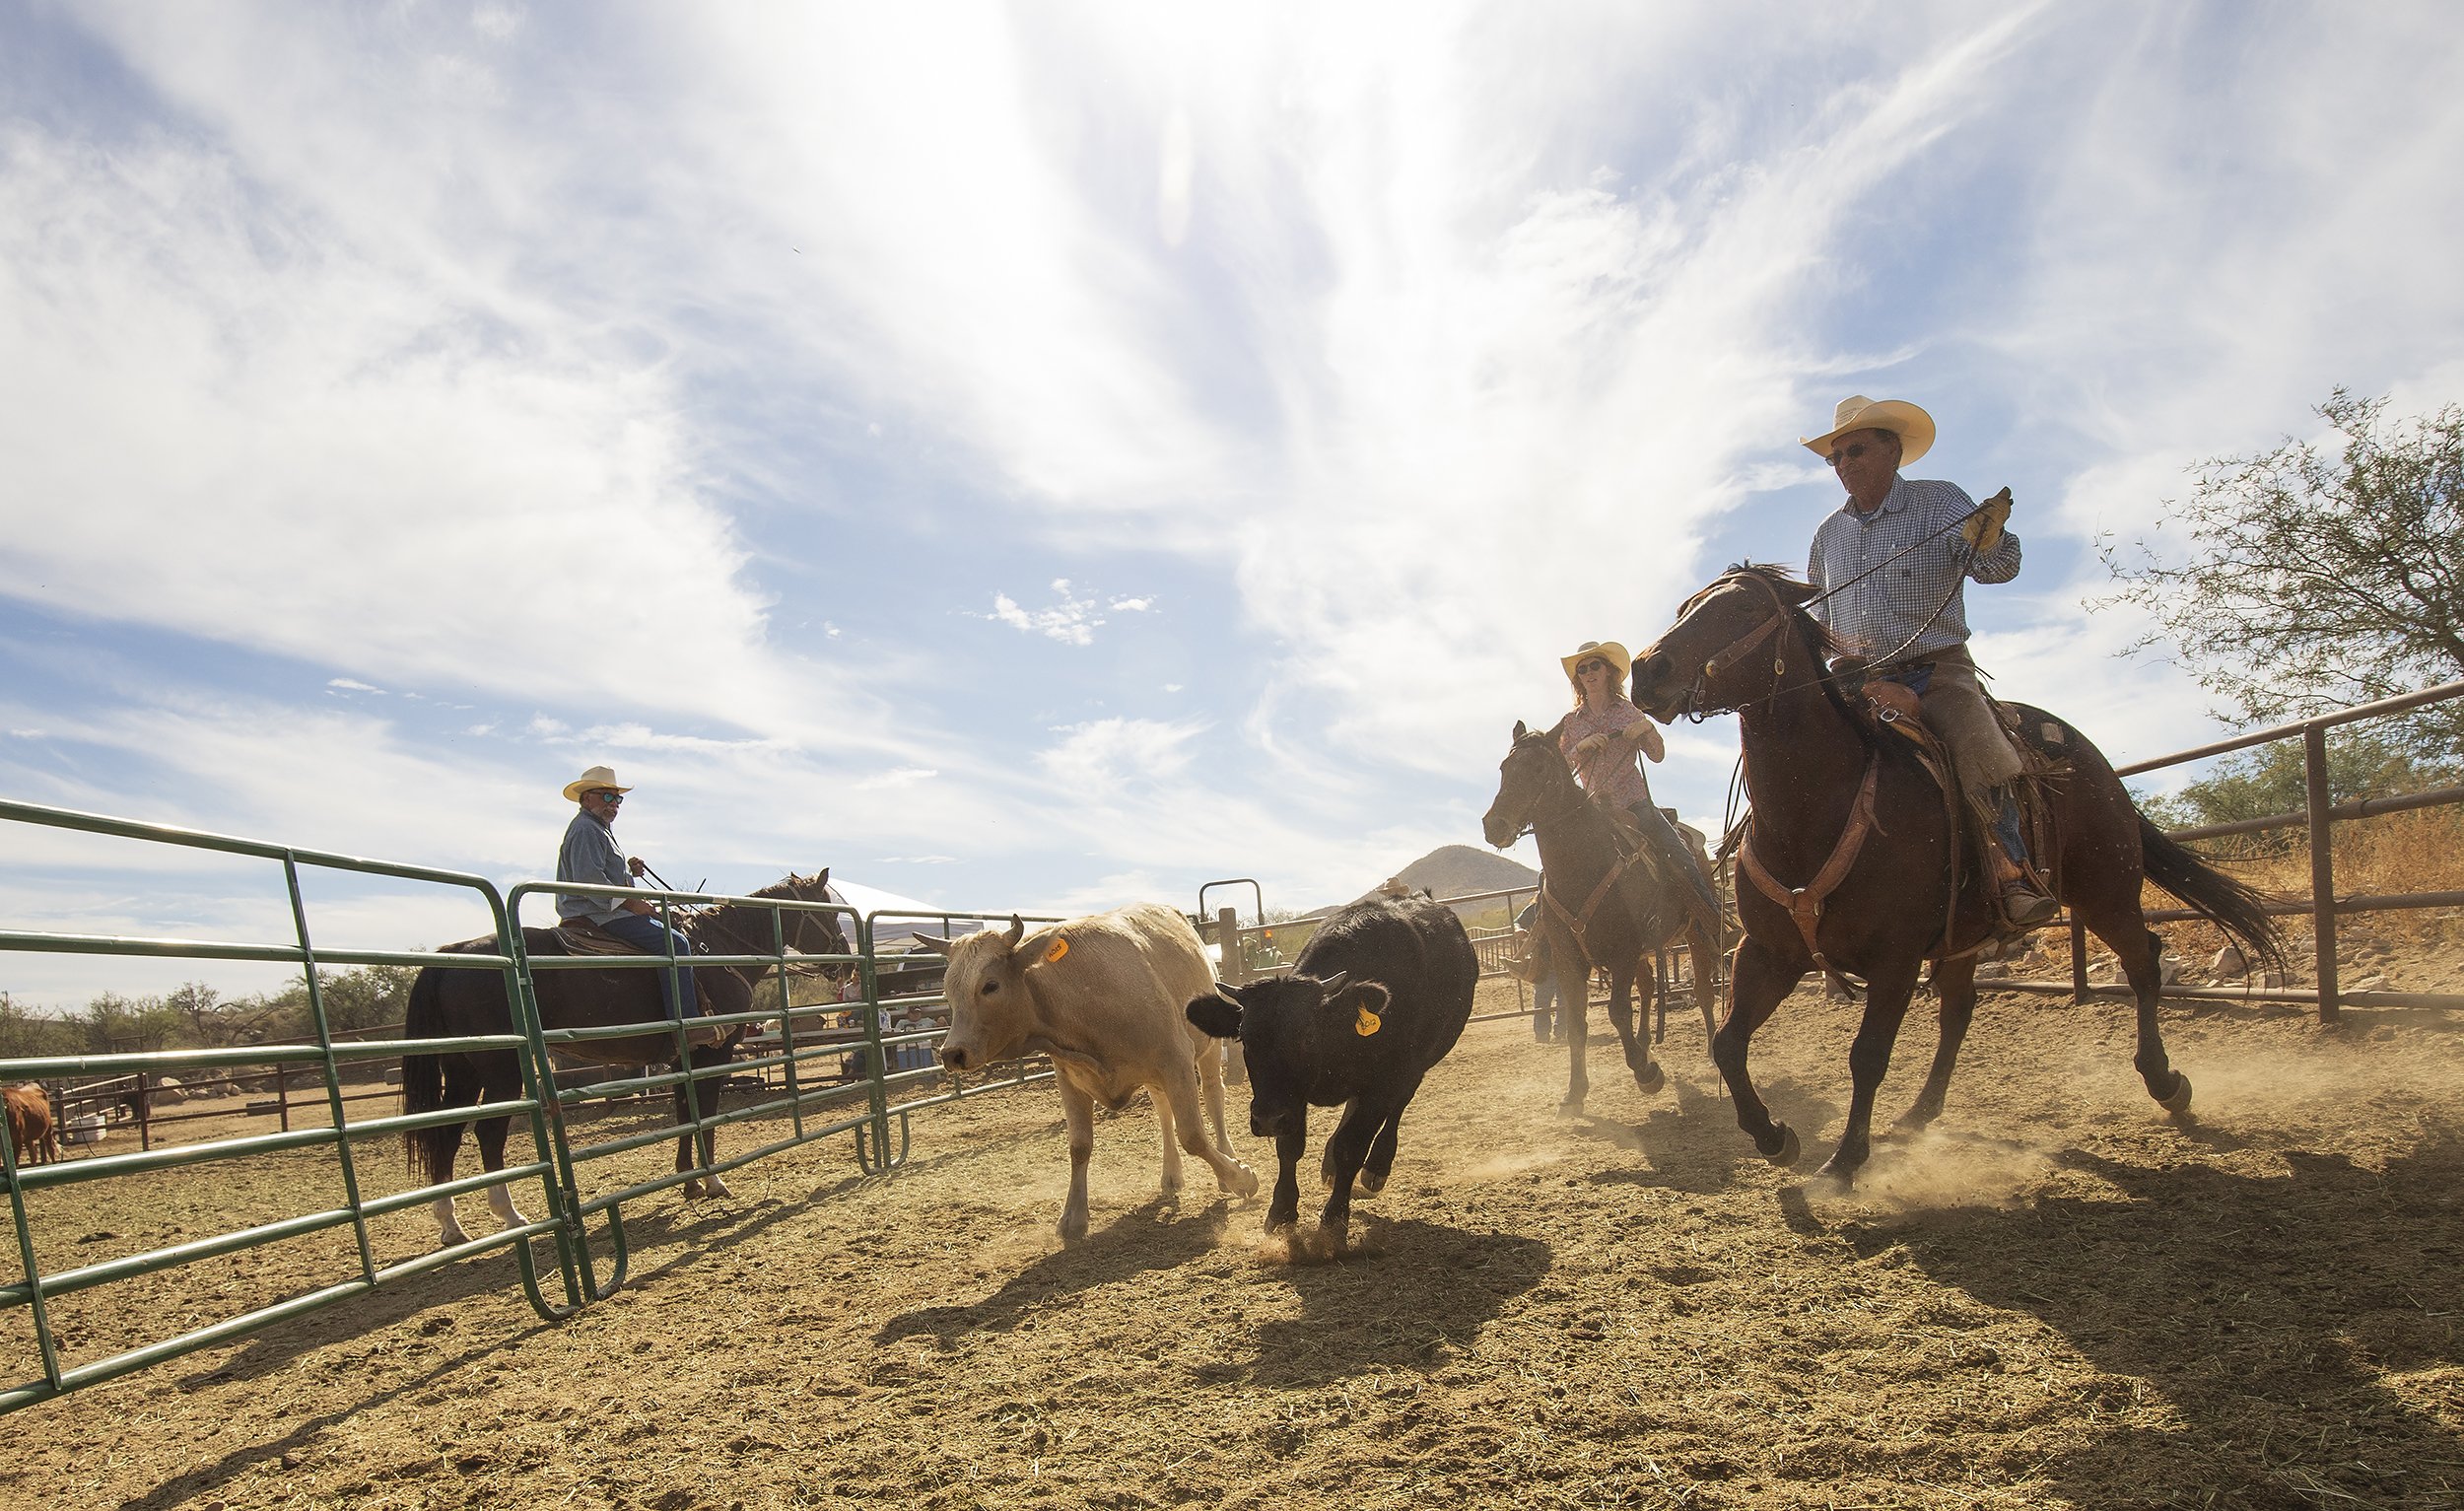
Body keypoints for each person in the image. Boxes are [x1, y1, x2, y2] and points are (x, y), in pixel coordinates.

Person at [1798, 395, 2055, 925]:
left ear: (1893, 449)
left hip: (1937, 671)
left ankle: (2013, 877)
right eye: (1835, 457)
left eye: (1856, 450)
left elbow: (1998, 569)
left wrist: (1992, 536)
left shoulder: (1939, 502)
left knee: (1976, 748)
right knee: (1796, 761)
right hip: (1853, 682)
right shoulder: (1828, 534)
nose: (1844, 464)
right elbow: (1820, 620)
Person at [1558, 641, 1723, 938]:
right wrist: (1578, 748)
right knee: (1558, 862)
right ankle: (1543, 948)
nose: (1589, 673)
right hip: (1593, 809)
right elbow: (1560, 769)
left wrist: (1648, 730)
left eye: (1595, 665)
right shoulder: (1571, 723)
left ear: (1608, 671)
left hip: (1633, 802)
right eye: (1582, 670)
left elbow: (1657, 755)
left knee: (1679, 853)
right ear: (1578, 679)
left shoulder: (1629, 712)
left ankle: (1714, 925)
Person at [556, 765, 701, 1023]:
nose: (614, 804)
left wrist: (628, 871)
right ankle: (686, 1022)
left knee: (674, 927)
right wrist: (633, 903)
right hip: (597, 914)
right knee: (677, 943)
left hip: (604, 909)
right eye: (607, 796)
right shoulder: (586, 829)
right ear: (587, 797)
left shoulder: (598, 828)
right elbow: (589, 879)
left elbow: (601, 872)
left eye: (617, 798)